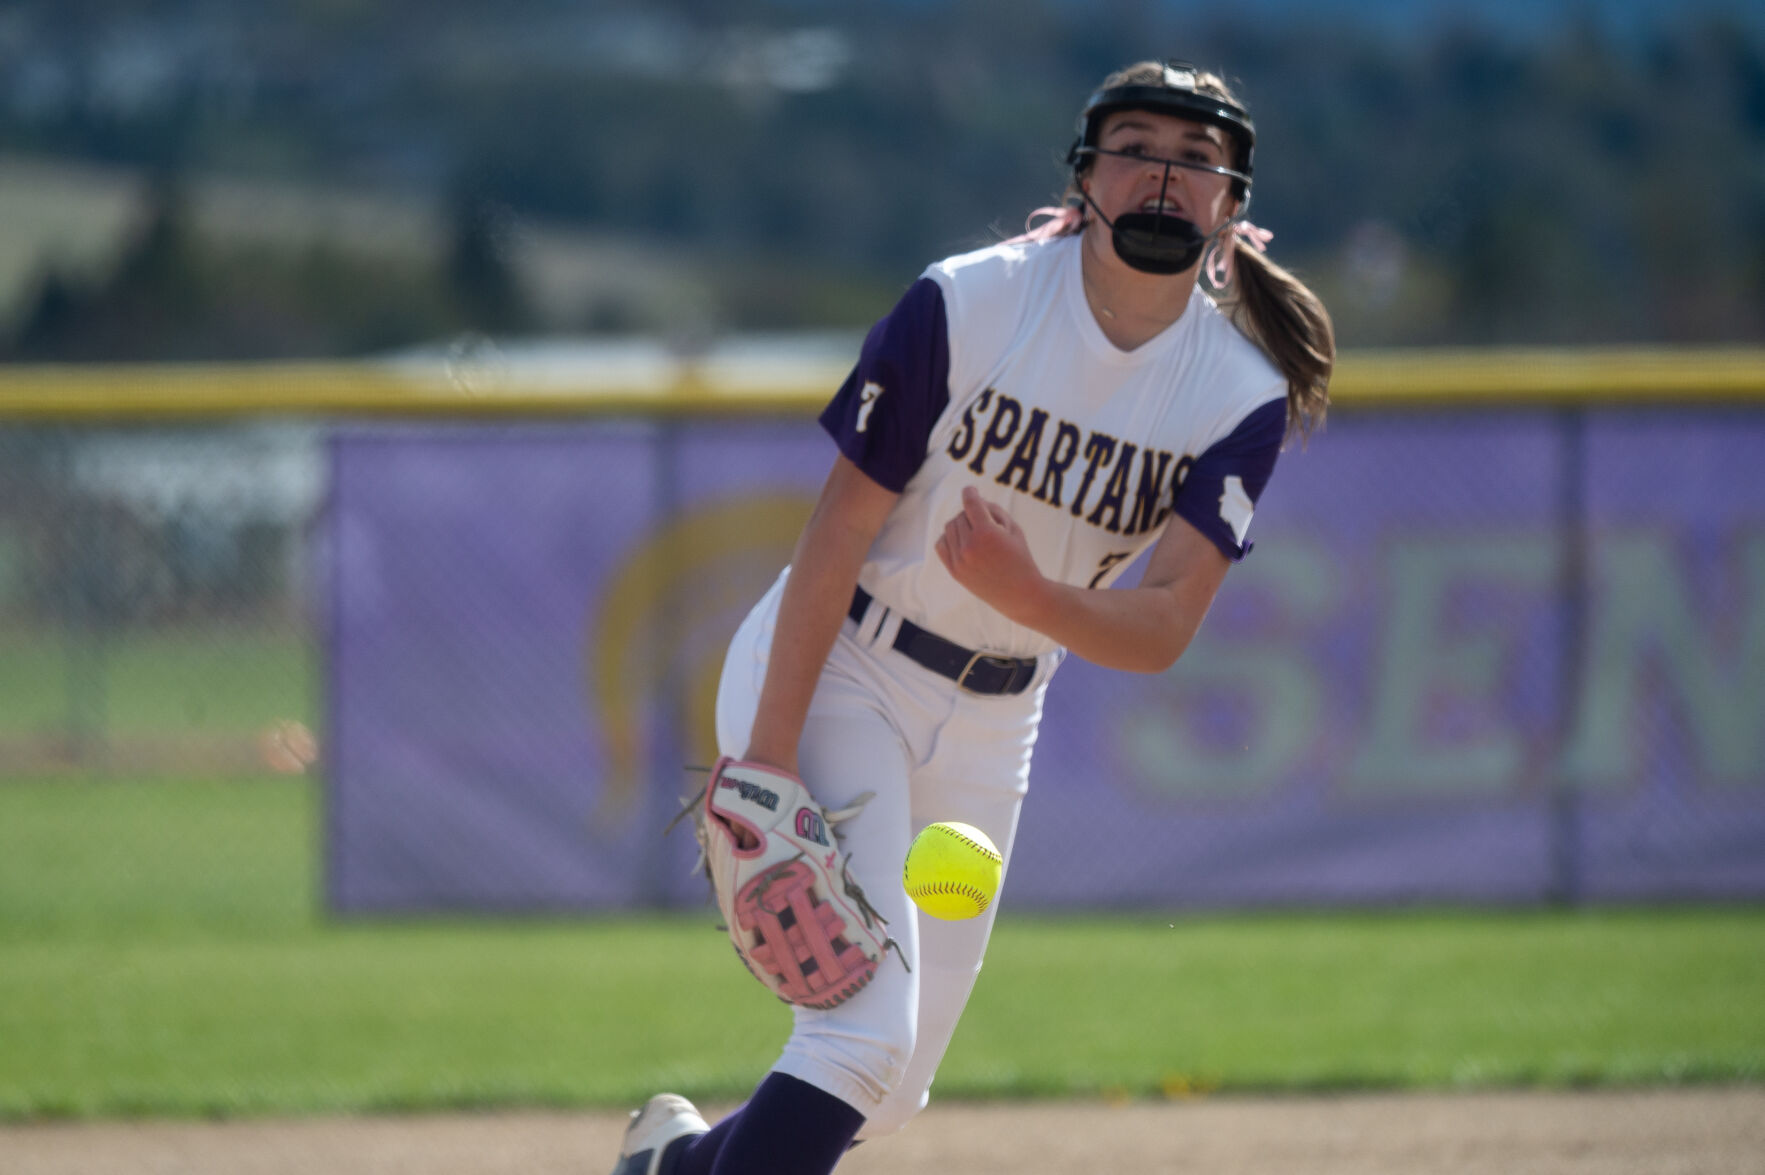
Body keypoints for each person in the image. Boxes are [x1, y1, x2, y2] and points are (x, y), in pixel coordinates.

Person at [610, 59, 1334, 1175]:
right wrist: (766, 757)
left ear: (1231, 206)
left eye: (1197, 160)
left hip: (1002, 711)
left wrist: (1029, 597)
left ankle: (671, 1166)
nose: (1163, 175)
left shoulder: (1234, 393)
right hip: (846, 654)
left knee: (890, 1087)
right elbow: (832, 535)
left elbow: (1162, 626)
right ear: (1085, 175)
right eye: (1136, 146)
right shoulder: (972, 301)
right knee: (857, 1036)